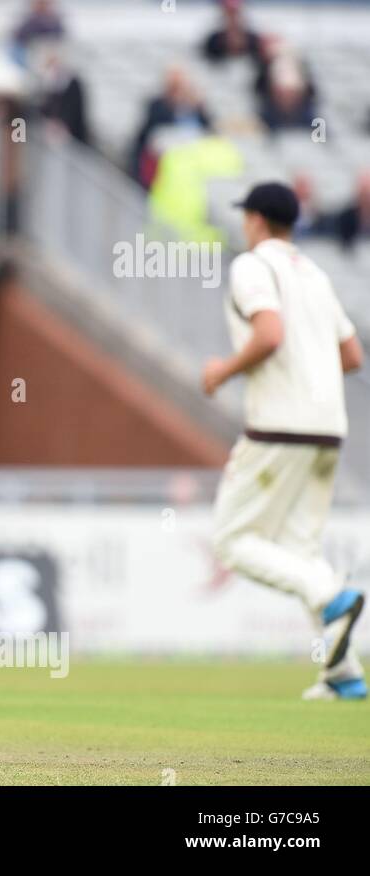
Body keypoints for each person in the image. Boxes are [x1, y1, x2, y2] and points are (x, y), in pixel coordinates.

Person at [203, 182, 365, 700]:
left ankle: (333, 594)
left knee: (232, 540)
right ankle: (344, 674)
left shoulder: (254, 266)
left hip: (280, 427)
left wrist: (222, 371)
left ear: (254, 220)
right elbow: (352, 355)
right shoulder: (314, 273)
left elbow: (269, 333)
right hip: (328, 429)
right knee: (299, 549)